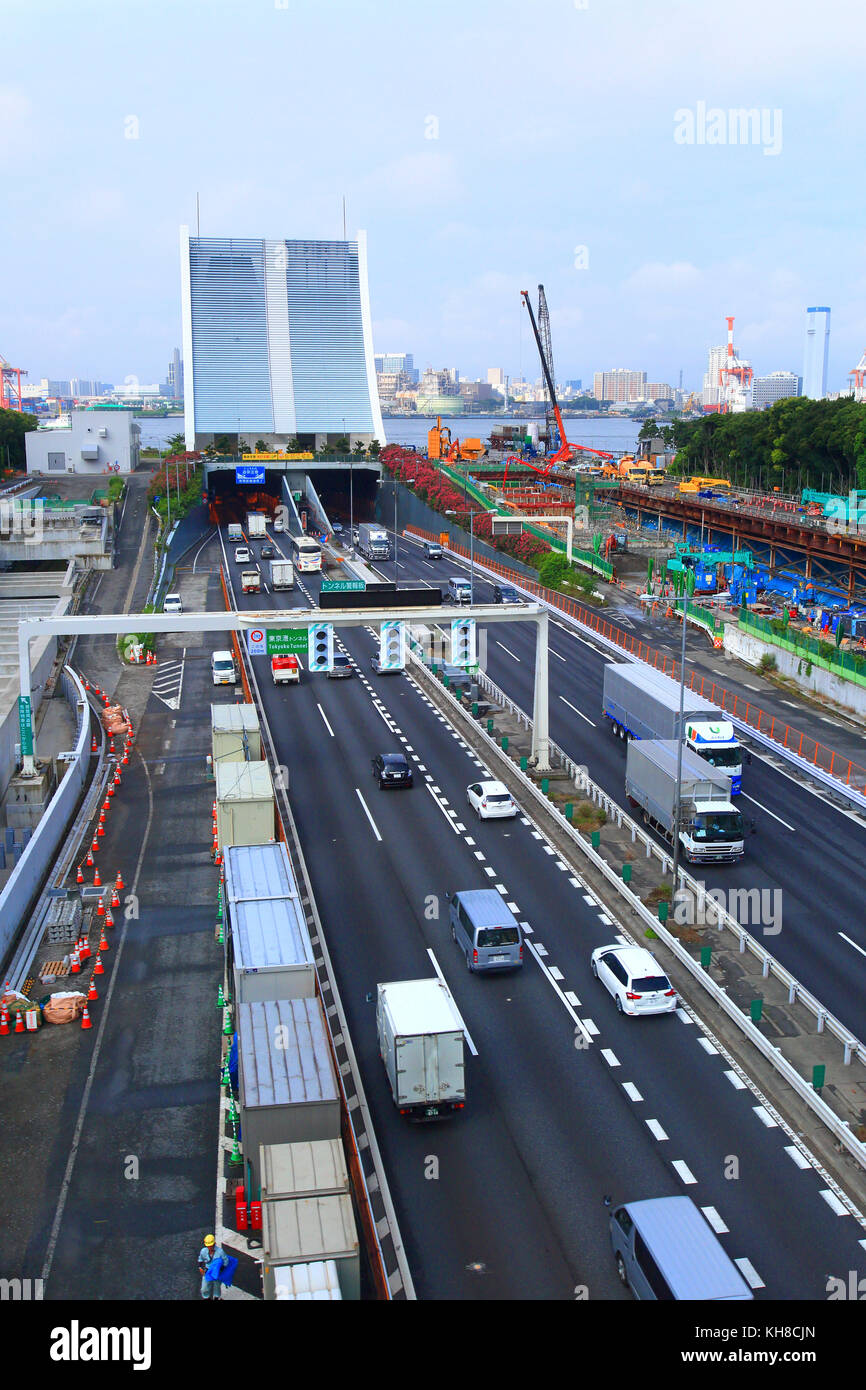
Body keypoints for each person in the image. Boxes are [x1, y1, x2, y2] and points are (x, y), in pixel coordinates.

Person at [198, 1234, 227, 1300]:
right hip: (207, 1271)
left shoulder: (220, 1252)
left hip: (217, 1272)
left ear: (214, 1244)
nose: (210, 1247)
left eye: (211, 1246)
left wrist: (221, 1269)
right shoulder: (203, 1251)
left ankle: (216, 1298)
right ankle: (206, 1298)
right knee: (204, 1288)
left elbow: (226, 1261)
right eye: (208, 1246)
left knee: (217, 1287)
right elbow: (200, 1259)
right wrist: (200, 1268)